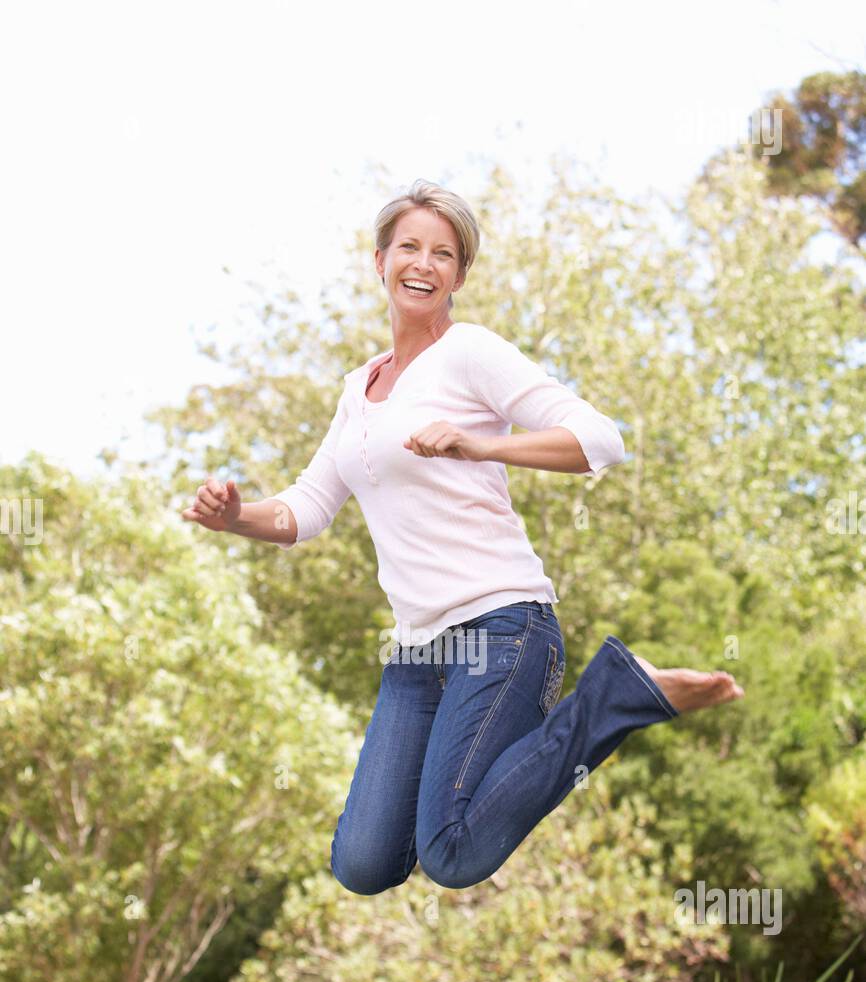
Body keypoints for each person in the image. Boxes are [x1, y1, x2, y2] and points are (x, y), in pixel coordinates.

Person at [183, 179, 743, 894]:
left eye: (443, 253)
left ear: (459, 275)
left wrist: (482, 447)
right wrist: (235, 515)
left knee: (450, 854)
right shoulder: (359, 389)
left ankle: (616, 697)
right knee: (362, 865)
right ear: (379, 260)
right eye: (409, 247)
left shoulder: (471, 352)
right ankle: (602, 704)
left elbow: (599, 440)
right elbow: (308, 510)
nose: (424, 263)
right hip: (417, 653)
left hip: (502, 625)